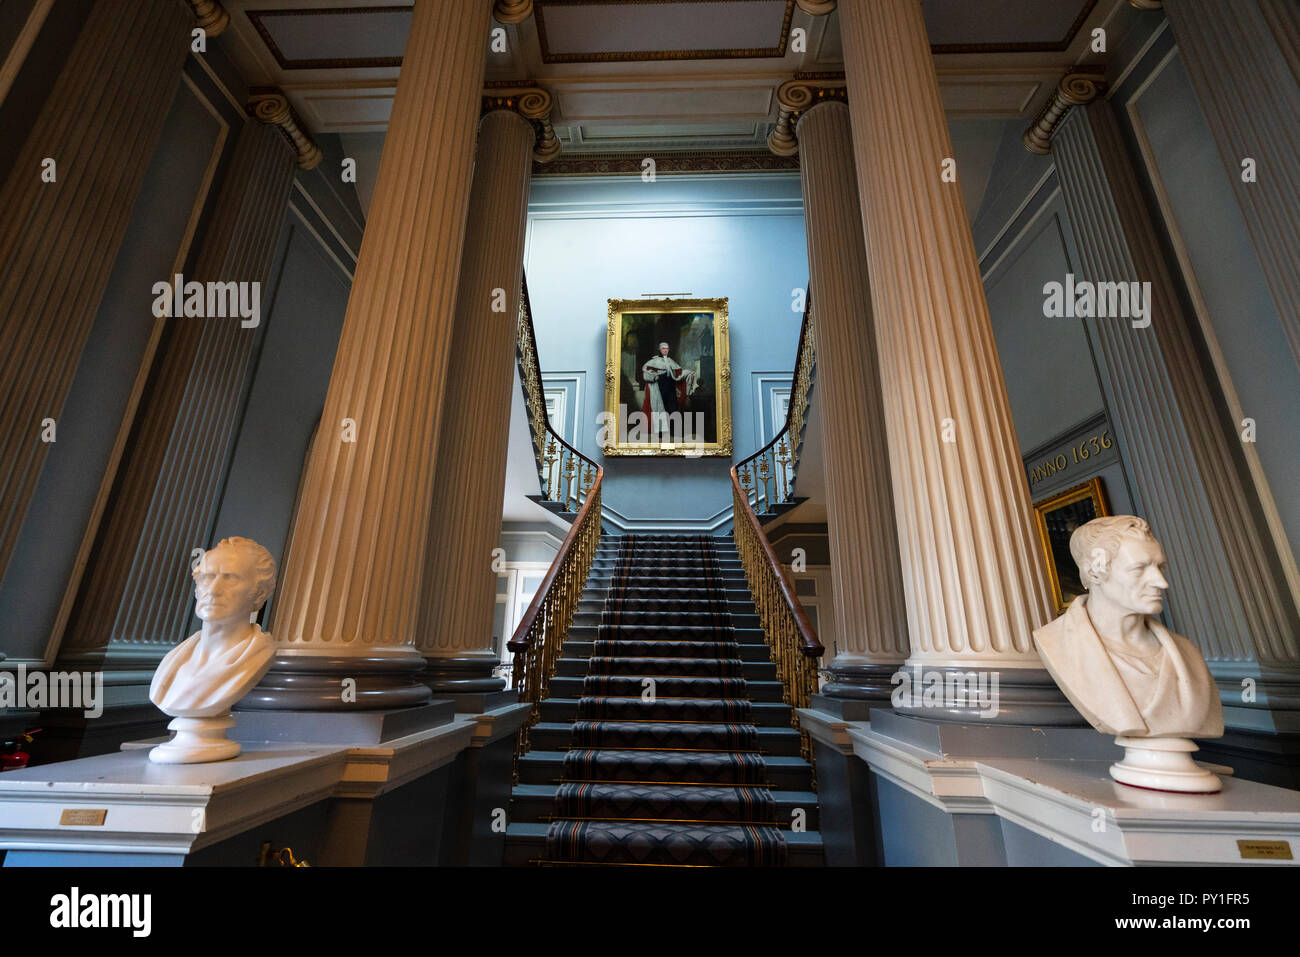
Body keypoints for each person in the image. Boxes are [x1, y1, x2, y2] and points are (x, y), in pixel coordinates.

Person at [1032, 516, 1222, 739]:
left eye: (1160, 567)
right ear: (1094, 572)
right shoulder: (1057, 644)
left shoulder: (1187, 653)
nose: (1162, 582)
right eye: (1138, 569)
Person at [149, 537, 277, 719]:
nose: (214, 590)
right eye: (208, 577)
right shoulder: (174, 661)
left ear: (259, 593)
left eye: (231, 578)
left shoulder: (256, 655)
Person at [641, 341, 697, 441]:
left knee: (673, 408)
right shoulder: (653, 362)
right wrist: (654, 377)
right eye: (663, 348)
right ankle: (660, 432)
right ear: (659, 350)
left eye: (667, 348)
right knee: (659, 409)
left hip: (670, 388)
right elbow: (646, 372)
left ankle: (674, 431)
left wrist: (688, 373)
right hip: (658, 387)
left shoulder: (671, 361)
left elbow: (678, 374)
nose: (665, 350)